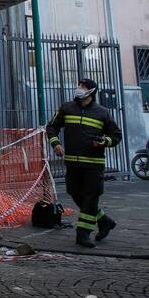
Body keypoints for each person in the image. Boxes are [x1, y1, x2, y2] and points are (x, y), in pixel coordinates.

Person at [47, 78, 122, 247]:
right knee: (74, 192)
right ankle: (104, 221)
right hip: (72, 163)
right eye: (78, 86)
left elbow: (116, 135)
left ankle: (83, 233)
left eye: (83, 87)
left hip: (94, 164)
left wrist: (105, 142)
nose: (78, 89)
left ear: (91, 91)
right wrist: (55, 143)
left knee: (90, 197)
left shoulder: (102, 113)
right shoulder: (66, 108)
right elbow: (51, 127)